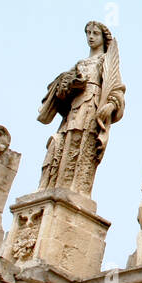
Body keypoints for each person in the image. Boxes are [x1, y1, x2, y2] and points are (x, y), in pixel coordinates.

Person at [37, 21, 125, 196]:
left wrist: (111, 105)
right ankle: (54, 184)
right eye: (88, 33)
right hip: (74, 108)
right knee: (61, 142)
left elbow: (117, 89)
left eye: (95, 33)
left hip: (92, 106)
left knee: (83, 143)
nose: (90, 37)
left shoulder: (105, 61)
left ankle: (75, 188)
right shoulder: (80, 64)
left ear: (103, 38)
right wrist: (69, 85)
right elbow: (62, 91)